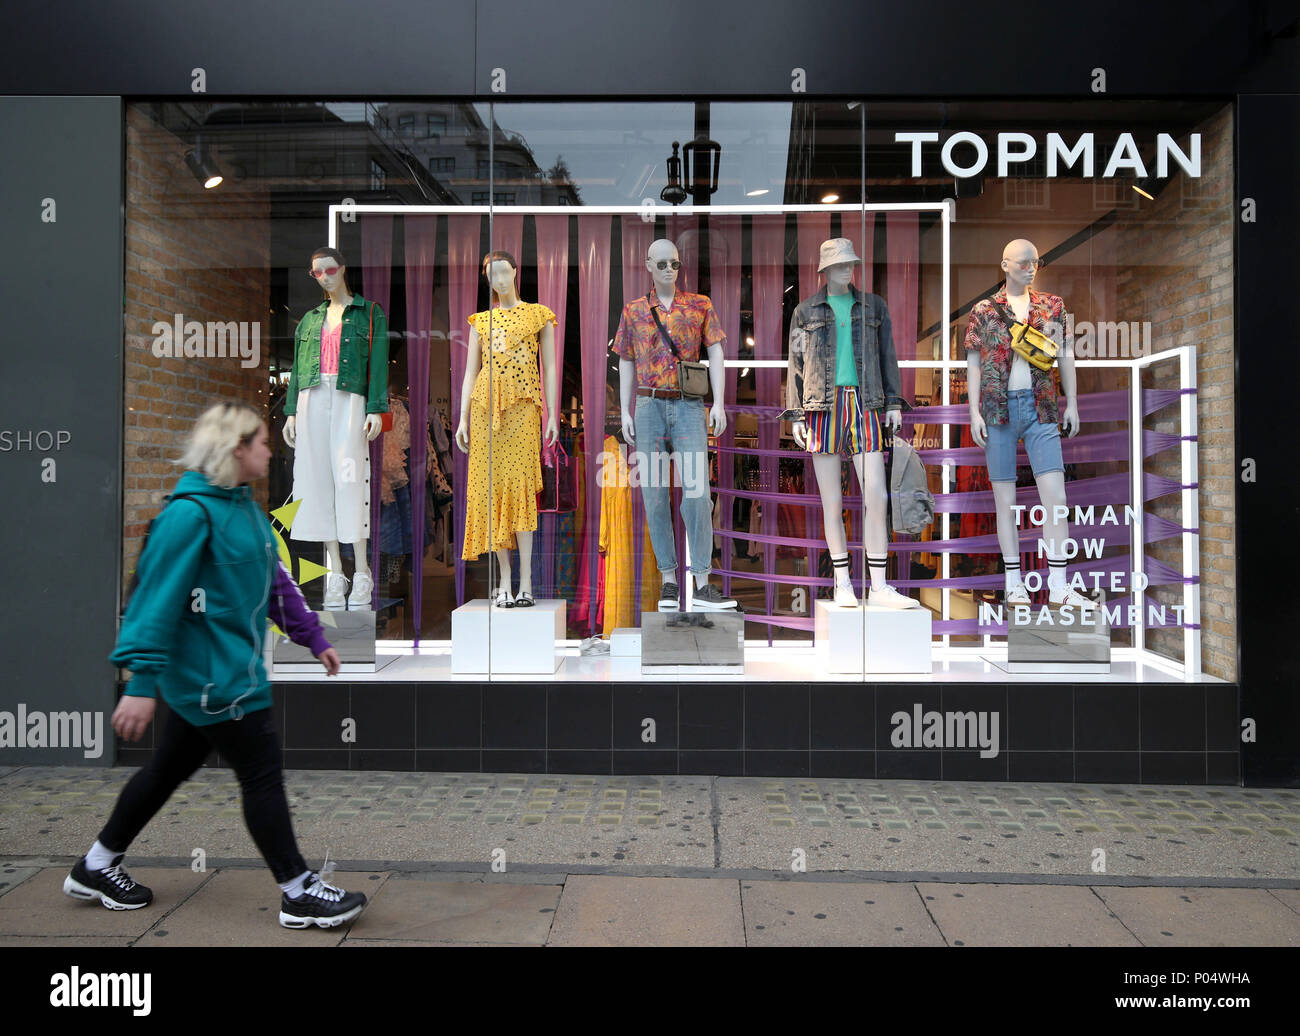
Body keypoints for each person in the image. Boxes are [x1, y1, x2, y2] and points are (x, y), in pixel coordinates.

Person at [64, 403, 368, 930]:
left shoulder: (244, 507)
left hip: (228, 676)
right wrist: (140, 681)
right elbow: (155, 599)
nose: (270, 451)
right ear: (236, 450)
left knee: (165, 772)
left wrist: (312, 636)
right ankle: (298, 891)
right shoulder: (189, 515)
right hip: (214, 683)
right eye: (261, 443)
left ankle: (95, 865)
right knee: (261, 774)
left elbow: (274, 581)